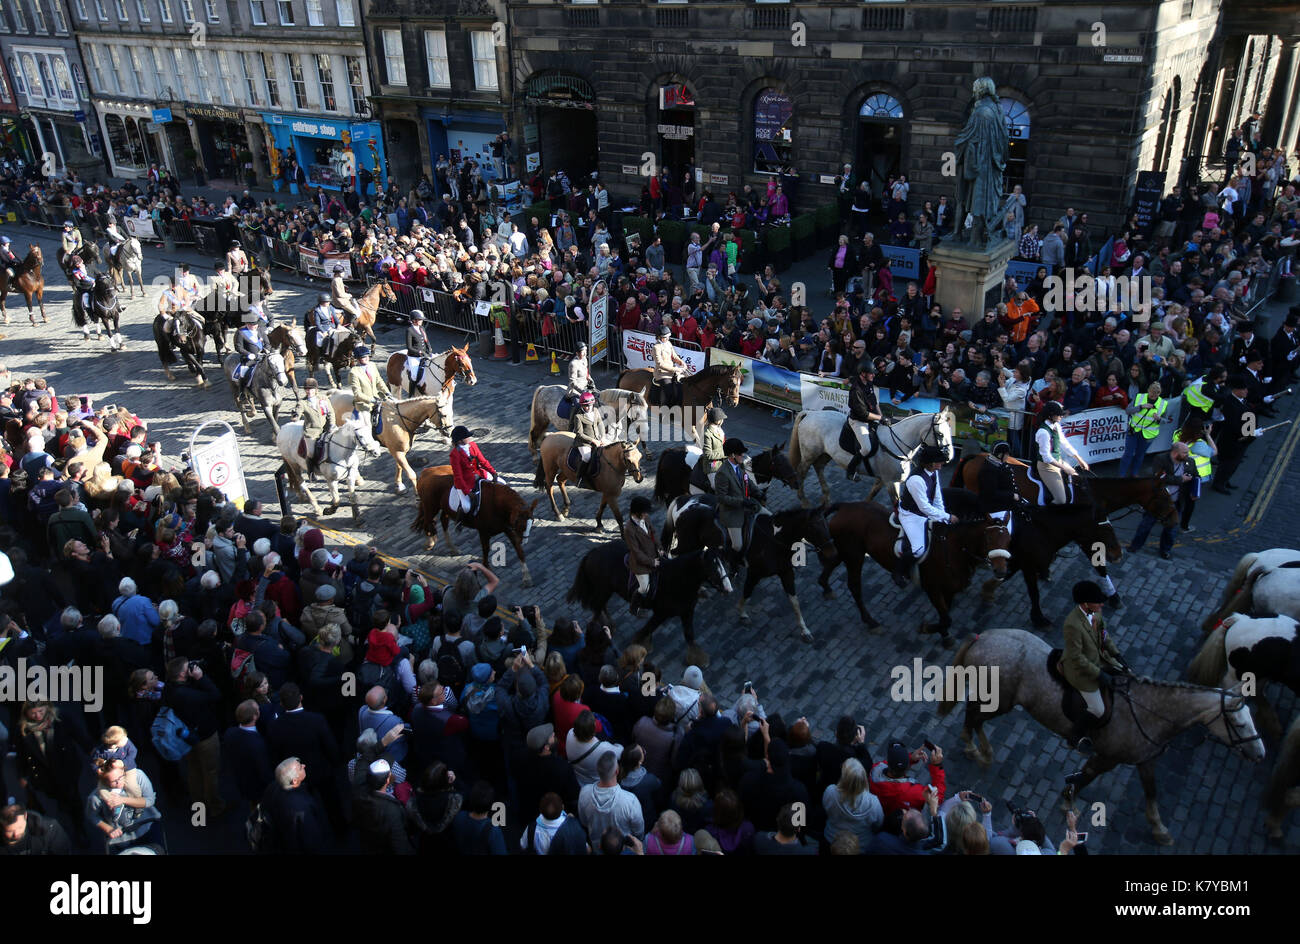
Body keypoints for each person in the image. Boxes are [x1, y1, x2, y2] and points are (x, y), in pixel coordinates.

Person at [1061, 580, 1127, 759]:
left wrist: (1117, 654)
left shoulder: (1096, 614)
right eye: (1097, 601)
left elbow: (1104, 635)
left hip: (1098, 658)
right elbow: (1077, 658)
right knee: (1098, 709)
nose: (1101, 604)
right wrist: (1100, 674)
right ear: (1085, 603)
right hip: (1080, 669)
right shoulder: (1072, 625)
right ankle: (1075, 736)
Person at [894, 444, 955, 588]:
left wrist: (943, 514)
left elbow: (937, 496)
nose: (941, 465)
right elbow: (924, 507)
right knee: (918, 549)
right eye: (939, 462)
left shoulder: (934, 471)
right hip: (911, 515)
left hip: (924, 511)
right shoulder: (916, 480)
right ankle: (899, 571)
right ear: (930, 463)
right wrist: (947, 516)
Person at [1127, 441, 1191, 560]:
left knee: (1171, 530)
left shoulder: (1189, 462)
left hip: (1176, 502)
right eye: (1185, 453)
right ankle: (1135, 545)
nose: (1188, 455)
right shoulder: (1161, 459)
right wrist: (1180, 479)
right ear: (1175, 453)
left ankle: (1165, 550)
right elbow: (1161, 478)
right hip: (1158, 501)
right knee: (1145, 526)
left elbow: (1195, 475)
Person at [1034, 401, 1088, 505]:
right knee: (1060, 500)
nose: (1061, 416)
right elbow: (1046, 457)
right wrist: (1065, 468)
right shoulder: (1043, 432)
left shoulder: (1056, 426)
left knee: (1078, 480)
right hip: (1047, 467)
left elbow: (1064, 443)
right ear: (1051, 415)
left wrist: (1079, 459)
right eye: (1059, 414)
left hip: (1058, 461)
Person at [714, 437, 758, 558]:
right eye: (740, 453)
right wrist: (742, 502)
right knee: (737, 545)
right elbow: (722, 498)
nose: (743, 455)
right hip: (731, 513)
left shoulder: (739, 466)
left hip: (745, 505)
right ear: (733, 455)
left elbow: (748, 481)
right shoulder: (722, 473)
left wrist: (758, 492)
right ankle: (731, 562)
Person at [447, 425, 497, 524]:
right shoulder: (454, 455)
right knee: (466, 507)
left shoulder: (473, 445)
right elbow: (458, 476)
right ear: (460, 441)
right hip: (465, 482)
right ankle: (463, 521)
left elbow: (483, 461)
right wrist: (467, 492)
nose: (469, 438)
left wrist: (493, 472)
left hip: (479, 474)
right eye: (467, 437)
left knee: (502, 483)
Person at [1118, 382, 1167, 477]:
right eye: (1152, 392)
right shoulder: (1139, 397)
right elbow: (1128, 411)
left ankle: (1134, 473)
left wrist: (1160, 419)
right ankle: (1121, 476)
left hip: (1149, 434)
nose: (1153, 395)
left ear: (1159, 393)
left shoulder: (1163, 403)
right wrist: (1141, 407)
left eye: (1156, 392)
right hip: (1133, 431)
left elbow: (1165, 420)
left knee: (1140, 455)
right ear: (1148, 390)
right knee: (1128, 454)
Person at [623, 496, 661, 615]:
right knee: (645, 587)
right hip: (640, 562)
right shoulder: (629, 529)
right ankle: (633, 606)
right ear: (637, 512)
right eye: (644, 513)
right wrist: (652, 562)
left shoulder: (646, 518)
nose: (646, 515)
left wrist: (660, 547)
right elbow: (636, 552)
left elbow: (653, 533)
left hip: (654, 552)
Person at [845, 361, 883, 481]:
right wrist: (880, 418)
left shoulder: (869, 383)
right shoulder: (855, 390)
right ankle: (850, 470)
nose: (874, 375)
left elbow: (874, 402)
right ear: (863, 374)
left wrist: (881, 415)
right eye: (871, 373)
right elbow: (863, 414)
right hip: (858, 421)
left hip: (872, 418)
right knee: (866, 448)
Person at [348, 346, 390, 438]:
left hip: (377, 398)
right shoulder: (354, 372)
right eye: (363, 357)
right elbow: (357, 394)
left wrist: (387, 393)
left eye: (367, 356)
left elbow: (379, 381)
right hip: (364, 404)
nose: (367, 358)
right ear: (358, 359)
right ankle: (370, 443)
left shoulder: (372, 365)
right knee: (368, 426)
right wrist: (371, 400)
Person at [571, 390, 608, 489]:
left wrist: (603, 436)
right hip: (583, 442)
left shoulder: (595, 411)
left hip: (597, 438)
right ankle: (580, 478)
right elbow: (579, 434)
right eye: (585, 406)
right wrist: (593, 441)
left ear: (593, 404)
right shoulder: (578, 416)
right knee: (586, 457)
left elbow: (600, 423)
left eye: (589, 405)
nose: (587, 408)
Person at [977, 440, 1020, 522]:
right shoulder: (989, 470)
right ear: (1000, 455)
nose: (1008, 456)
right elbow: (990, 493)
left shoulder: (999, 464)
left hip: (1006, 502)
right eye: (1007, 454)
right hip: (996, 507)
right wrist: (1012, 495)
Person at [298, 379, 331, 474]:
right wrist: (295, 416)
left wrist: (332, 424)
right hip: (311, 431)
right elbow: (298, 411)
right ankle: (311, 471)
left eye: (311, 389)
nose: (309, 392)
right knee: (311, 452)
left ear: (316, 390)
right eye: (307, 389)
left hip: (327, 428)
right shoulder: (302, 403)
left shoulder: (323, 399)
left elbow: (330, 412)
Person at [651, 324, 686, 406]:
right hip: (662, 373)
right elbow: (660, 364)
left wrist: (681, 362)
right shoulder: (656, 347)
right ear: (660, 337)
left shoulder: (668, 343)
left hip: (672, 370)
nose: (668, 338)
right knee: (669, 390)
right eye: (666, 337)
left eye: (668, 336)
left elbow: (674, 356)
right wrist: (677, 369)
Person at [693, 406, 726, 492]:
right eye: (722, 419)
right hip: (712, 466)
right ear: (718, 420)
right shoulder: (708, 434)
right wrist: (724, 454)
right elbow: (708, 454)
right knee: (718, 487)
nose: (723, 420)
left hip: (723, 462)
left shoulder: (720, 430)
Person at [232, 311, 263, 395]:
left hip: (262, 355)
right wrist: (249, 354)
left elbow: (266, 342)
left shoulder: (259, 330)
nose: (254, 326)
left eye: (255, 324)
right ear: (247, 324)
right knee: (244, 373)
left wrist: (267, 348)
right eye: (252, 324)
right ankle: (242, 392)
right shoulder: (241, 332)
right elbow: (238, 347)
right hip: (249, 358)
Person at [565, 341, 597, 418]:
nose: (585, 353)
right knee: (577, 407)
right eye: (583, 351)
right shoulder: (573, 364)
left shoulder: (585, 359)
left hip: (586, 388)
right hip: (575, 391)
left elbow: (586, 374)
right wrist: (582, 391)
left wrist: (591, 382)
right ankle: (572, 425)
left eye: (586, 351)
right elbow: (572, 382)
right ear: (577, 353)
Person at [309, 293, 341, 359]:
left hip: (332, 326)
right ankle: (324, 354)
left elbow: (335, 317)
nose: (329, 302)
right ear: (322, 302)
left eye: (329, 301)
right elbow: (317, 323)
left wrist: (338, 324)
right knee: (324, 340)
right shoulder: (317, 311)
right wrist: (323, 331)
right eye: (327, 301)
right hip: (323, 327)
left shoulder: (330, 307)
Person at [405, 310, 432, 389]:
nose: (422, 321)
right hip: (414, 356)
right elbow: (409, 347)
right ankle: (412, 391)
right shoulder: (409, 330)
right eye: (420, 319)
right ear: (414, 320)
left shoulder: (422, 328)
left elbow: (426, 340)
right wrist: (420, 352)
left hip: (424, 354)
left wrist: (429, 349)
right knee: (414, 376)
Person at [69, 255, 95, 331]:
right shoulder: (75, 272)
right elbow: (77, 284)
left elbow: (97, 273)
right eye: (76, 264)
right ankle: (91, 316)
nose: (78, 265)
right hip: (85, 290)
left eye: (79, 263)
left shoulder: (90, 267)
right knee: (86, 302)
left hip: (95, 286)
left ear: (82, 261)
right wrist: (87, 286)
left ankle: (117, 307)